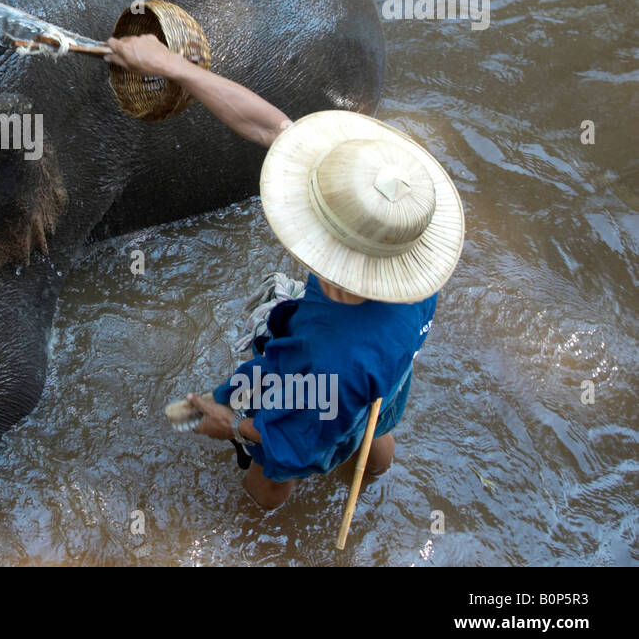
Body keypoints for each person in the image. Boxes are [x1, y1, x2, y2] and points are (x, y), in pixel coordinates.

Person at [105, 34, 464, 509]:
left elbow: (291, 441)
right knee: (378, 416)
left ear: (335, 249)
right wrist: (174, 67)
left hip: (336, 382)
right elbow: (274, 129)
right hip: (389, 373)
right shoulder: (407, 260)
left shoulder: (334, 362)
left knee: (272, 474)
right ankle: (376, 477)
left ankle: (264, 531)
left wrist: (228, 425)